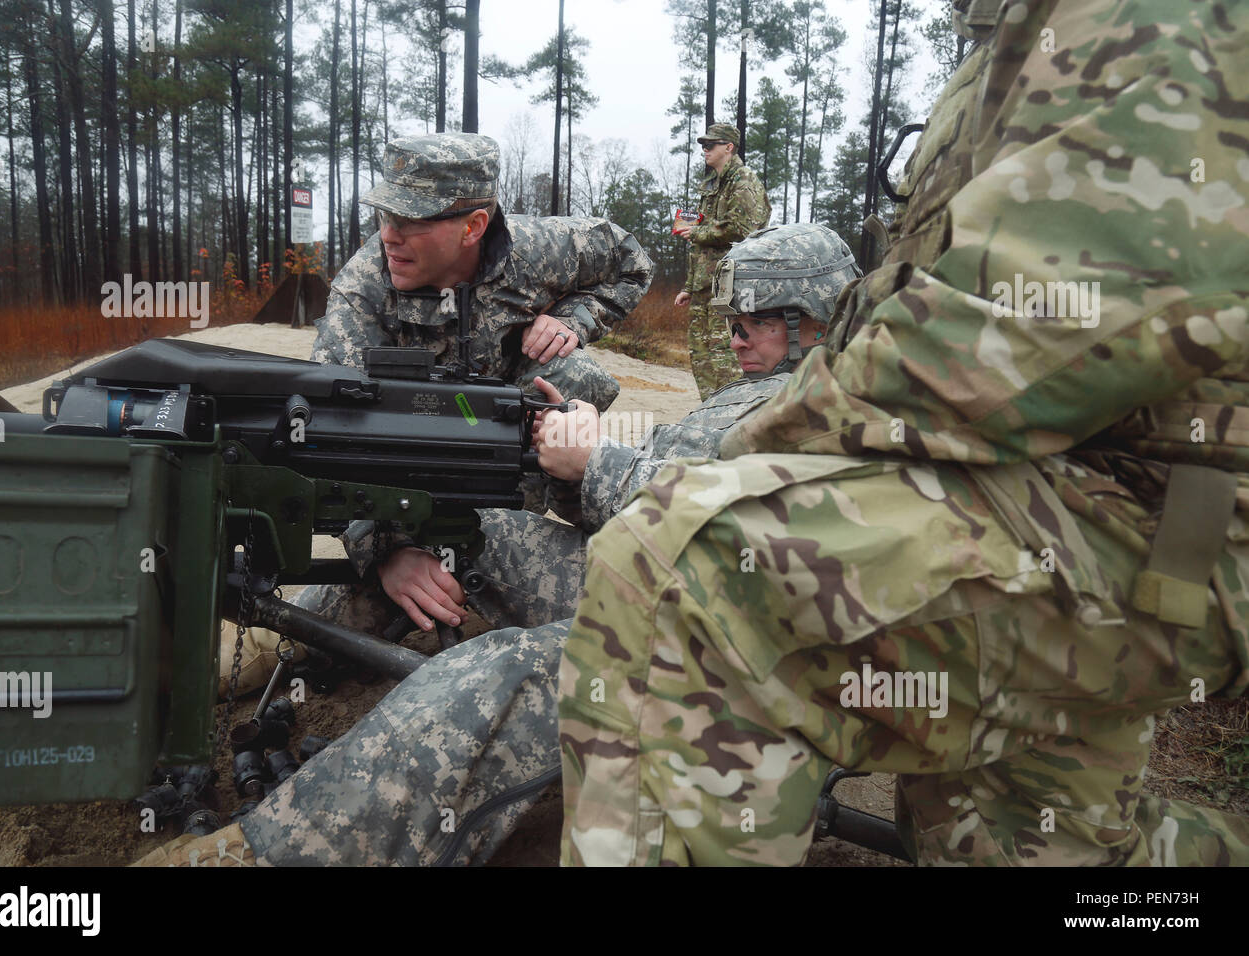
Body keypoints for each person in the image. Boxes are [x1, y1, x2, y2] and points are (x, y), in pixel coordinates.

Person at [558, 0, 1249, 866]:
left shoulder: (1153, 16)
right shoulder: (1009, 33)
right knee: (1020, 850)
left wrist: (726, 454)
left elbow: (997, 346)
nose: (741, 339)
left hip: (1162, 531)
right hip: (1051, 499)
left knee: (681, 575)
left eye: (761, 321)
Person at [132, 224, 861, 865]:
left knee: (507, 674)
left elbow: (741, 541)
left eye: (755, 323)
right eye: (731, 320)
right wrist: (568, 460)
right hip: (670, 596)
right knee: (469, 528)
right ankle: (272, 650)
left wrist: (601, 463)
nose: (734, 338)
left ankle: (267, 854)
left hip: (743, 656)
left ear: (816, 323)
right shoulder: (775, 389)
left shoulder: (837, 409)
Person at [218, 132, 654, 696]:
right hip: (408, 474)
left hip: (519, 447)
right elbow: (326, 442)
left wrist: (575, 318)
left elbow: (631, 261)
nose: (388, 237)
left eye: (410, 220)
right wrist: (387, 552)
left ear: (472, 227)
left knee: (573, 381)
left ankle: (550, 534)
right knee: (318, 644)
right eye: (383, 216)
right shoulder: (364, 289)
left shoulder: (544, 249)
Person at [673, 124, 771, 401]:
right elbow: (700, 245)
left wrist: (699, 231)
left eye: (711, 145)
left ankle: (734, 412)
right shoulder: (711, 185)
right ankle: (712, 411)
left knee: (726, 354)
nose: (705, 150)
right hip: (706, 285)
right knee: (701, 355)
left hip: (731, 285)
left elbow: (745, 228)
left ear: (729, 147)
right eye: (703, 146)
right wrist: (690, 287)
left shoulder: (744, 181)